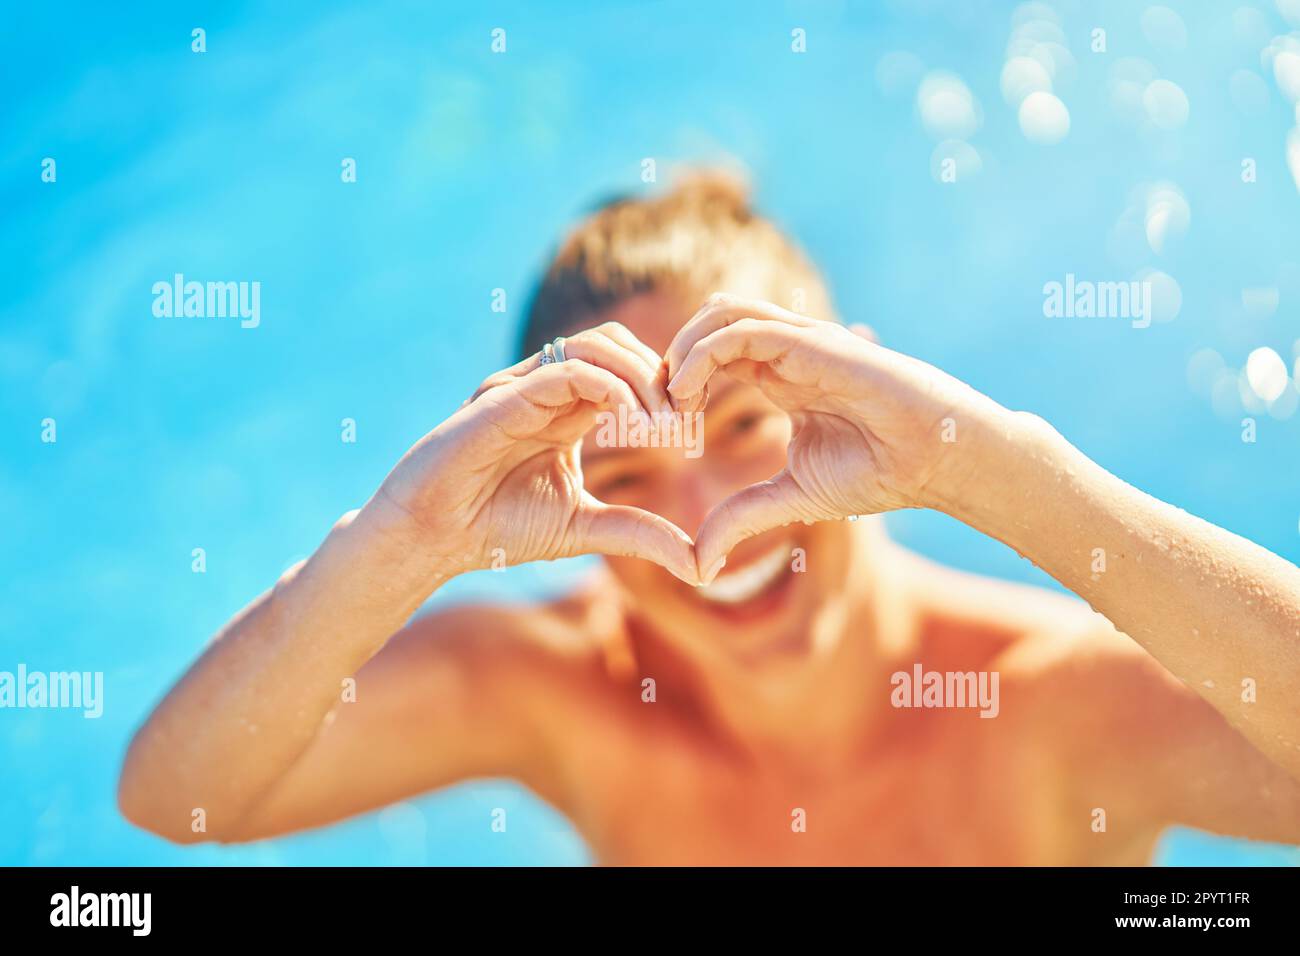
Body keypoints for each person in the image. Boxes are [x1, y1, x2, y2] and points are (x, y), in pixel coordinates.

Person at [118, 174, 1300, 864]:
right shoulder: (559, 691)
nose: (708, 524)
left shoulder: (1048, 701)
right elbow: (184, 797)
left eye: (746, 429)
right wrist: (404, 536)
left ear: (868, 402)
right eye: (622, 481)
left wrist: (992, 465)